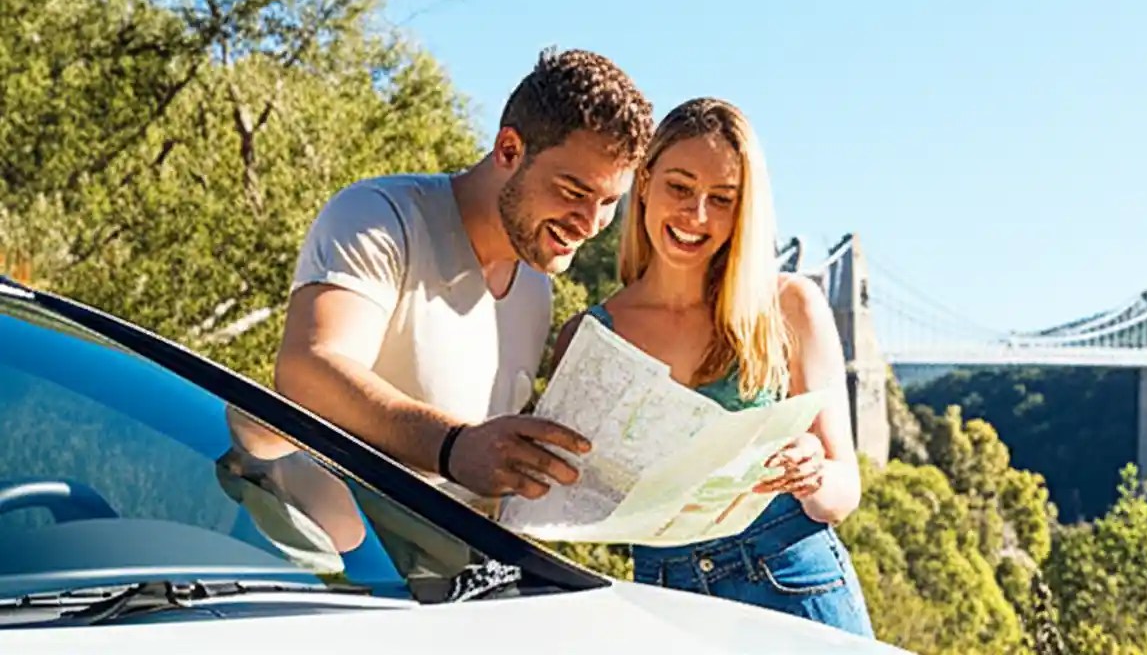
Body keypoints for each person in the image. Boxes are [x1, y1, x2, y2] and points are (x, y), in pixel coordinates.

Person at [272, 47, 655, 521]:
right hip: (323, 568)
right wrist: (454, 446)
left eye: (608, 202)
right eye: (574, 193)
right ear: (509, 150)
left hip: (440, 582)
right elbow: (307, 369)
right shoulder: (379, 218)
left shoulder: (536, 287)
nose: (589, 223)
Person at [551, 97, 875, 638]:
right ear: (646, 180)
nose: (696, 216)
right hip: (662, 595)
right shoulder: (591, 337)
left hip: (794, 582)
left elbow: (844, 490)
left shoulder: (790, 306)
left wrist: (813, 477)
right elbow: (573, 496)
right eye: (680, 187)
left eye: (721, 199)